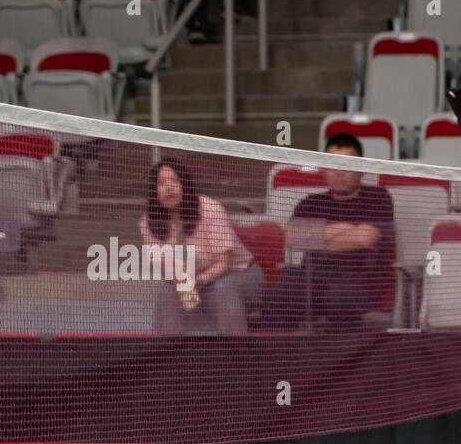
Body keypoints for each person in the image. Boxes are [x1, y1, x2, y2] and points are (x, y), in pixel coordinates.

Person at [276, 133, 396, 329]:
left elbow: (365, 239)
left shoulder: (378, 197)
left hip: (361, 278)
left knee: (337, 300)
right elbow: (293, 238)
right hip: (312, 276)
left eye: (346, 166)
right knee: (278, 297)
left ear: (361, 168)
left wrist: (317, 236)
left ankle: (343, 358)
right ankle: (282, 357)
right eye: (332, 165)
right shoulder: (311, 202)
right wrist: (348, 230)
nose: (338, 173)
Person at [140, 158, 263, 334]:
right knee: (167, 294)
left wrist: (200, 281)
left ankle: (236, 354)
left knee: (223, 289)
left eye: (175, 180)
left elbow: (224, 263)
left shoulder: (210, 209)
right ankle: (168, 354)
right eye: (161, 183)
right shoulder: (148, 221)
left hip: (240, 276)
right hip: (193, 284)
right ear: (154, 191)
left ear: (185, 185)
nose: (169, 188)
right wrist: (185, 287)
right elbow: (168, 267)